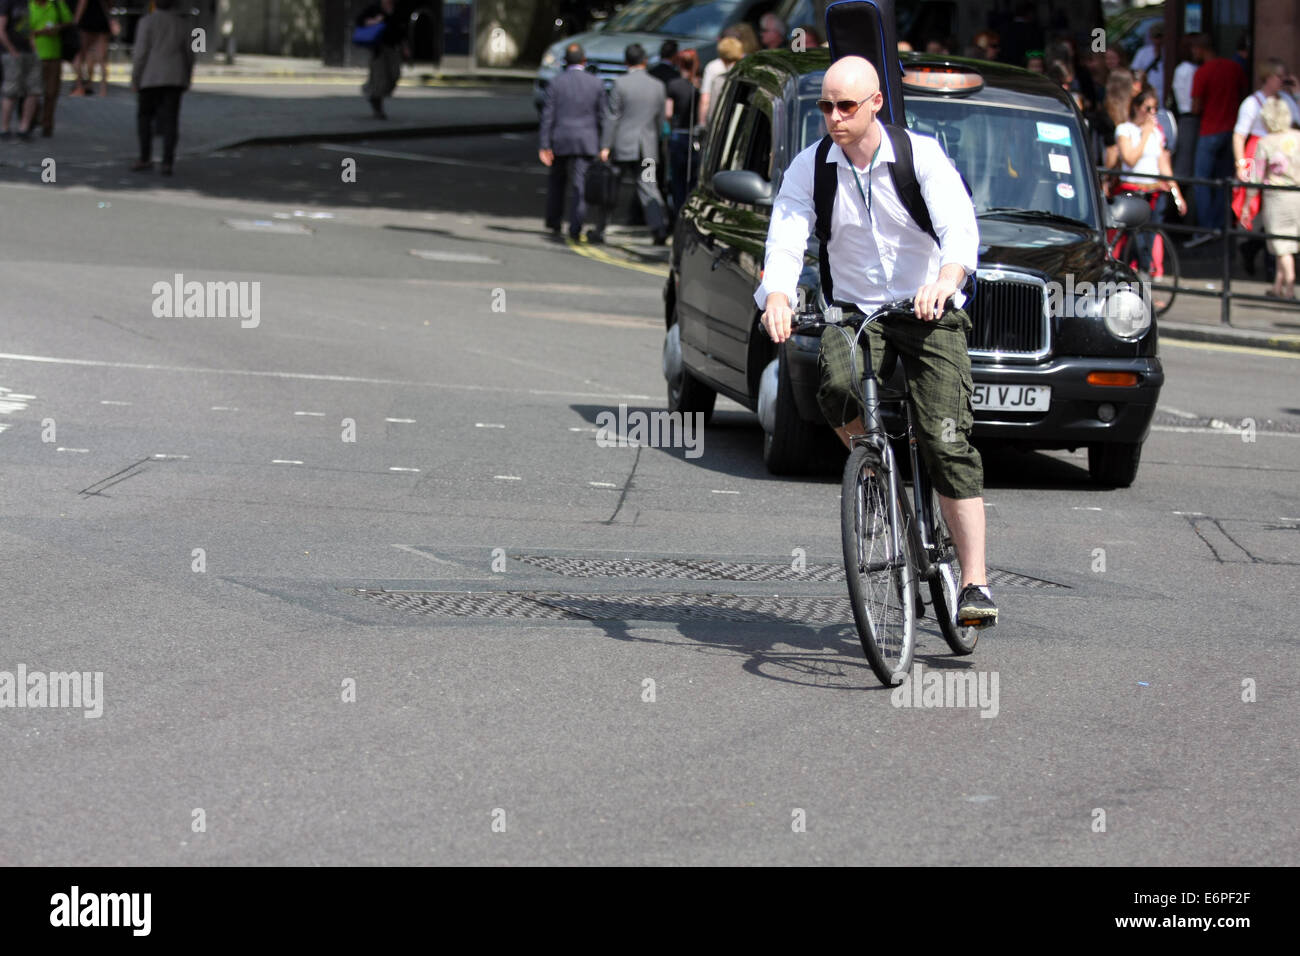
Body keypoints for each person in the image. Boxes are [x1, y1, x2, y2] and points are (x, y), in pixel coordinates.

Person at [755, 56, 996, 626]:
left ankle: (975, 583)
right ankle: (878, 473)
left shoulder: (921, 157)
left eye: (846, 106)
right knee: (834, 385)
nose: (834, 118)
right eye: (825, 107)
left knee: (945, 440)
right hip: (856, 309)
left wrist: (945, 280)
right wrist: (780, 296)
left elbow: (960, 227)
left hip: (927, 308)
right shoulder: (810, 169)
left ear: (876, 104)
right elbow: (786, 238)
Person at [595, 43, 668, 245]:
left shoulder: (620, 84)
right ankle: (658, 228)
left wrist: (605, 146)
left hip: (623, 147)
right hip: (648, 149)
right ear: (644, 61)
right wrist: (659, 141)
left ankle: (600, 229)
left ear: (626, 62)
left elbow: (612, 117)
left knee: (611, 188)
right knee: (650, 188)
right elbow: (661, 120)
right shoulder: (658, 85)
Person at [1232, 59, 1300, 274]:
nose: (1283, 81)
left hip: (1283, 157)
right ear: (1268, 77)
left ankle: (1271, 262)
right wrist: (1241, 163)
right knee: (1255, 209)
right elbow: (1239, 134)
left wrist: (1296, 93)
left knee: (1276, 212)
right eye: (1279, 76)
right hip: (1258, 154)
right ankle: (1251, 249)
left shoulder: (1287, 99)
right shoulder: (1252, 103)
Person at [1115, 85, 1186, 274]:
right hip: (1132, 189)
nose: (1152, 113)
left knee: (1150, 237)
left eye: (1155, 108)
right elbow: (1130, 158)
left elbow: (1163, 163)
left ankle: (1146, 275)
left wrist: (1176, 193)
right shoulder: (1125, 129)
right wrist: (1145, 134)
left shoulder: (1157, 132)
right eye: (1148, 108)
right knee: (1135, 240)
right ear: (1137, 108)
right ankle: (1135, 274)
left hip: (1154, 190)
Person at [538, 42, 603, 242]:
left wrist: (544, 145)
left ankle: (554, 220)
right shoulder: (596, 83)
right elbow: (602, 117)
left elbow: (547, 116)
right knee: (579, 184)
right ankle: (576, 225)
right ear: (584, 61)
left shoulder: (556, 83)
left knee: (557, 181)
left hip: (561, 139)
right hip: (586, 140)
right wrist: (604, 144)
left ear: (565, 62)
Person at [1189, 34, 1247, 246]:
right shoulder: (1234, 68)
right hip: (1231, 130)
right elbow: (1242, 93)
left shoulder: (1202, 72)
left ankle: (1207, 227)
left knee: (1201, 180)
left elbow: (1195, 106)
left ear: (1199, 49)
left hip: (1209, 130)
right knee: (1225, 182)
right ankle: (1220, 225)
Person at [130, 0, 193, 174]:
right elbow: (189, 54)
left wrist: (135, 78)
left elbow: (140, 53)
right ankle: (167, 162)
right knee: (171, 120)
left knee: (144, 117)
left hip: (150, 77)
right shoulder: (182, 24)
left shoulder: (146, 22)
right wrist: (187, 77)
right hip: (174, 77)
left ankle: (145, 157)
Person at [1246, 97, 1300, 298]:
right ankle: (1278, 286)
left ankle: (1290, 287)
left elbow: (1256, 175)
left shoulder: (1266, 142)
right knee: (1286, 244)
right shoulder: (1298, 136)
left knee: (1280, 244)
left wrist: (1247, 203)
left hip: (1278, 198)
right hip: (1298, 195)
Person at [355, 0, 405, 119]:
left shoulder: (397, 9)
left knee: (395, 74)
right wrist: (373, 21)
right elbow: (359, 21)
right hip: (378, 49)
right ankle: (377, 106)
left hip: (393, 48)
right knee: (380, 78)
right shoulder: (375, 8)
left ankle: (369, 89)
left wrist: (405, 46)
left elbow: (401, 28)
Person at [664, 48, 700, 214]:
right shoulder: (698, 85)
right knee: (693, 179)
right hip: (695, 136)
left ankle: (679, 212)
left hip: (678, 135)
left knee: (677, 179)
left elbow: (668, 113)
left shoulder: (673, 85)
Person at [28, 0, 70, 136]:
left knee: (51, 92)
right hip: (34, 55)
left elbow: (69, 21)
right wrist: (38, 32)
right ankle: (30, 120)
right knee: (33, 92)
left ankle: (47, 124)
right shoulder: (28, 5)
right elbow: (20, 30)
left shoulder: (56, 3)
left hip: (54, 53)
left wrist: (58, 27)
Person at [0, 0, 40, 140]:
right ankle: (5, 128)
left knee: (33, 90)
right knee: (11, 90)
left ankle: (24, 128)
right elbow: (1, 29)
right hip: (12, 53)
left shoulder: (29, 3)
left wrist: (34, 48)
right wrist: (11, 50)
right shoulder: (6, 3)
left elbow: (29, 28)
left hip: (28, 52)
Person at [698, 35, 742, 127]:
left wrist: (701, 123)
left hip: (717, 121)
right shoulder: (743, 68)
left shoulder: (712, 67)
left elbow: (705, 98)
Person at [70, 0, 109, 96]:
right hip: (101, 18)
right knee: (101, 57)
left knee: (81, 54)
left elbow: (83, 2)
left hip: (87, 19)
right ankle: (102, 89)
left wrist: (76, 21)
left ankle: (79, 85)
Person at [1129, 24, 1164, 102]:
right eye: (1155, 37)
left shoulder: (1168, 52)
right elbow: (1135, 71)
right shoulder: (1143, 52)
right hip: (1147, 92)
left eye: (1160, 37)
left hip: (1163, 92)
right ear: (1151, 38)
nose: (1158, 40)